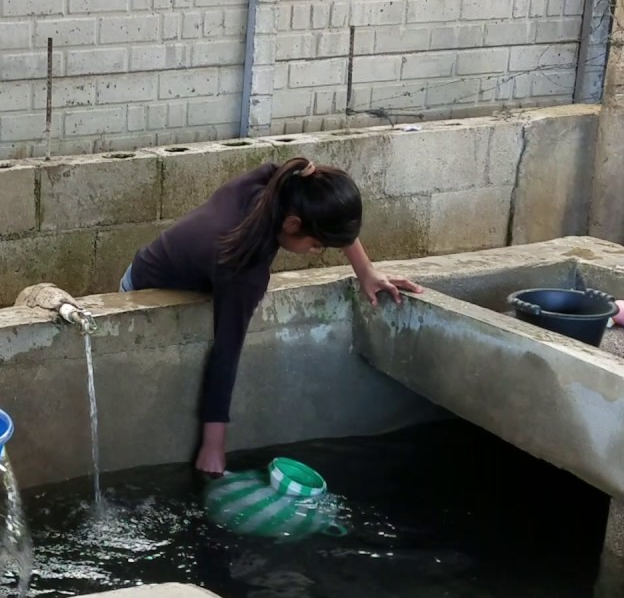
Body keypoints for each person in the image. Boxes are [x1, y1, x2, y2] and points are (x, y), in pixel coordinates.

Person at [119, 157, 422, 476]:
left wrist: (366, 271)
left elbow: (325, 206)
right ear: (292, 225)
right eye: (317, 244)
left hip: (160, 261)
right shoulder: (243, 267)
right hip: (143, 287)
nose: (315, 251)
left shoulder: (279, 182)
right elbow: (225, 351)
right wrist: (213, 445)